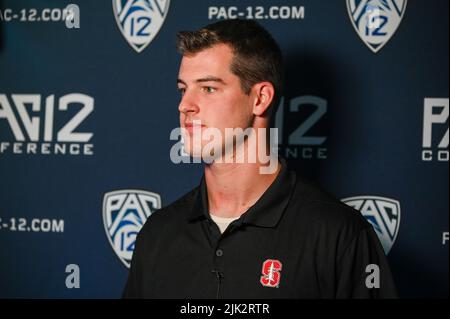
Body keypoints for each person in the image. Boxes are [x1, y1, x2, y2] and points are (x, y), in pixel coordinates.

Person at [123, 19, 397, 299]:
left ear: (260, 99)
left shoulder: (340, 235)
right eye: (183, 89)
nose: (185, 105)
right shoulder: (158, 233)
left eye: (208, 88)